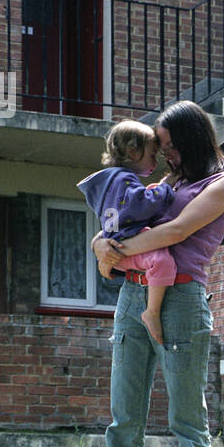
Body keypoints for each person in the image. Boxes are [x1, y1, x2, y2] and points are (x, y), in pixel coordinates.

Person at [90, 100, 224, 447]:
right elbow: (121, 221)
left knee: (188, 418)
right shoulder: (168, 182)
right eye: (160, 146)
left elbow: (174, 233)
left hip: (182, 299)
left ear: (192, 140)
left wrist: (113, 249)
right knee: (125, 416)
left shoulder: (223, 184)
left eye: (170, 146)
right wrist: (103, 243)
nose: (164, 154)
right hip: (133, 294)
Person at [77, 120, 176, 345]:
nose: (156, 161)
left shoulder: (108, 181)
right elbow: (140, 206)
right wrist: (166, 189)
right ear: (133, 151)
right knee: (163, 261)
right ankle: (152, 311)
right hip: (125, 248)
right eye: (152, 155)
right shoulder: (124, 179)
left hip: (117, 249)